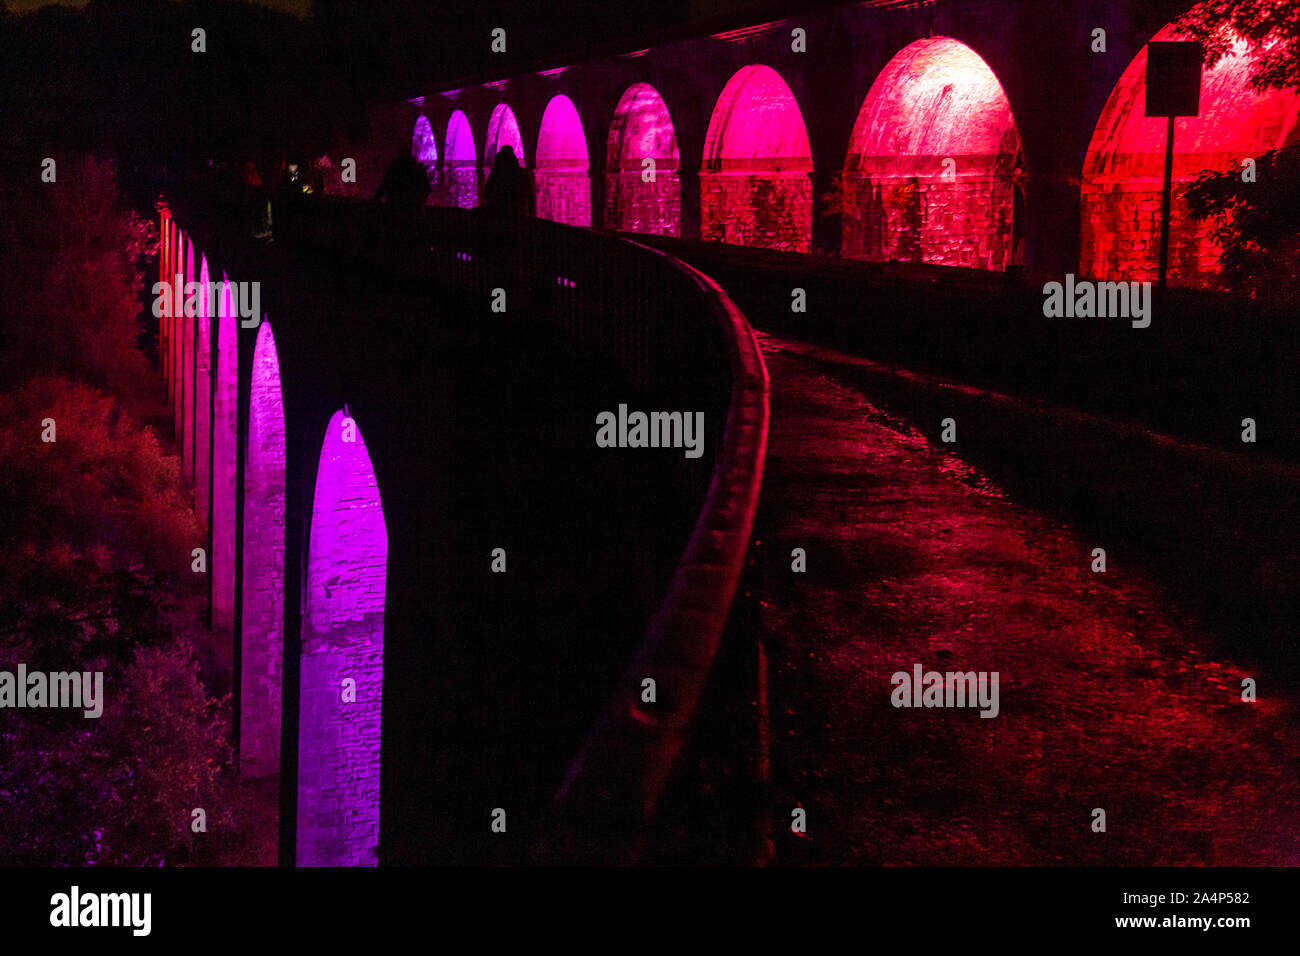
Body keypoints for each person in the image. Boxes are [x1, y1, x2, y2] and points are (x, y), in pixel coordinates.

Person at [480, 146, 533, 217]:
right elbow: (529, 194)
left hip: (498, 214)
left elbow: (487, 193)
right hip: (518, 213)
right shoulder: (522, 173)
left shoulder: (496, 174)